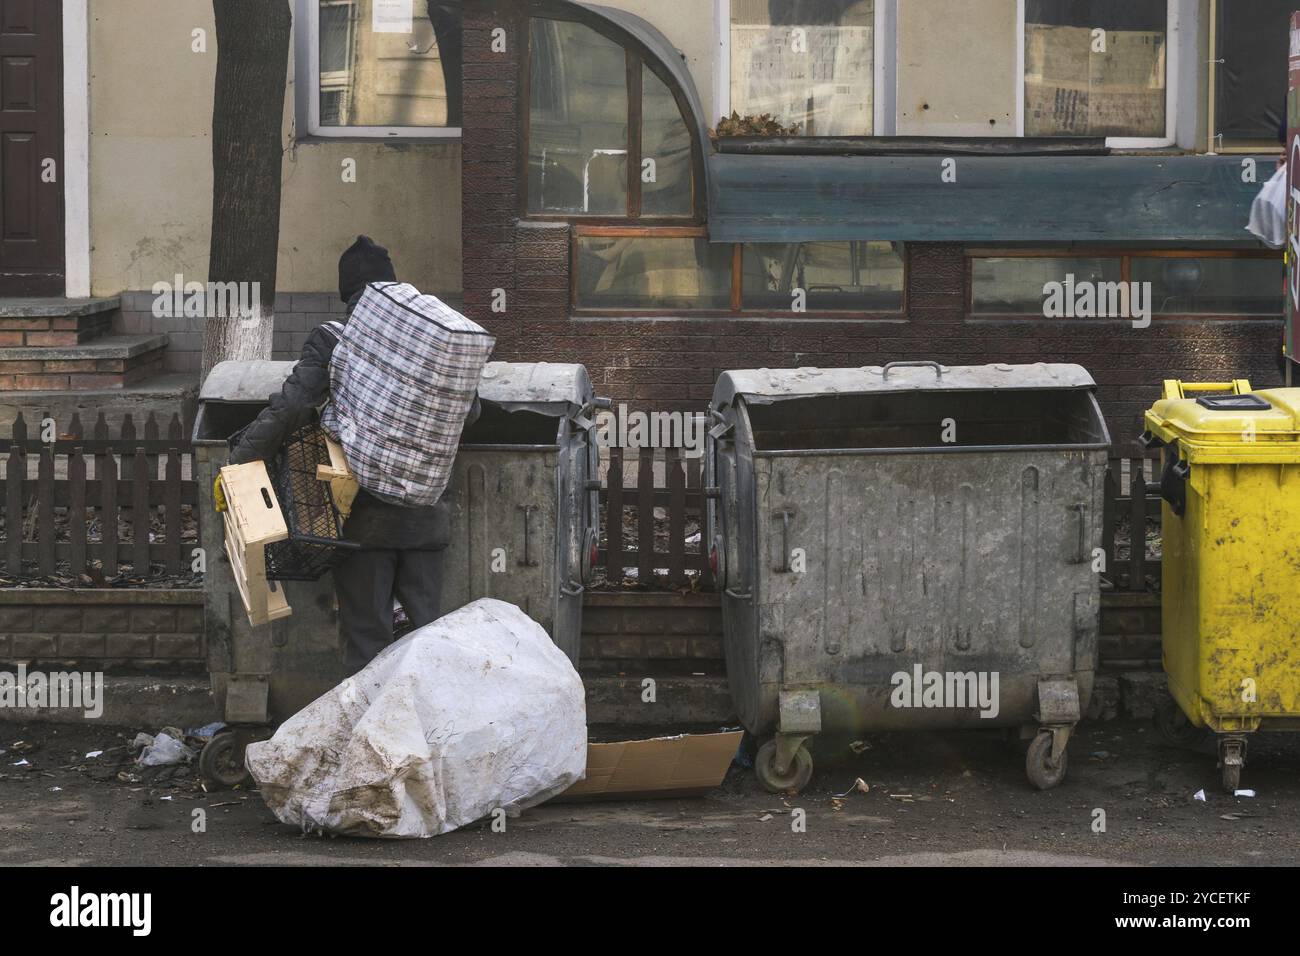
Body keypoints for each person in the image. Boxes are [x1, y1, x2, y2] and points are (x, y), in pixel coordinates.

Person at [219, 236, 479, 674]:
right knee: (427, 640)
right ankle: (430, 736)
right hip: (427, 516)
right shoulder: (431, 345)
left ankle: (370, 736)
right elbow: (468, 413)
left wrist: (239, 460)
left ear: (350, 296)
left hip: (363, 518)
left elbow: (294, 405)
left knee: (368, 639)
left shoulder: (337, 339)